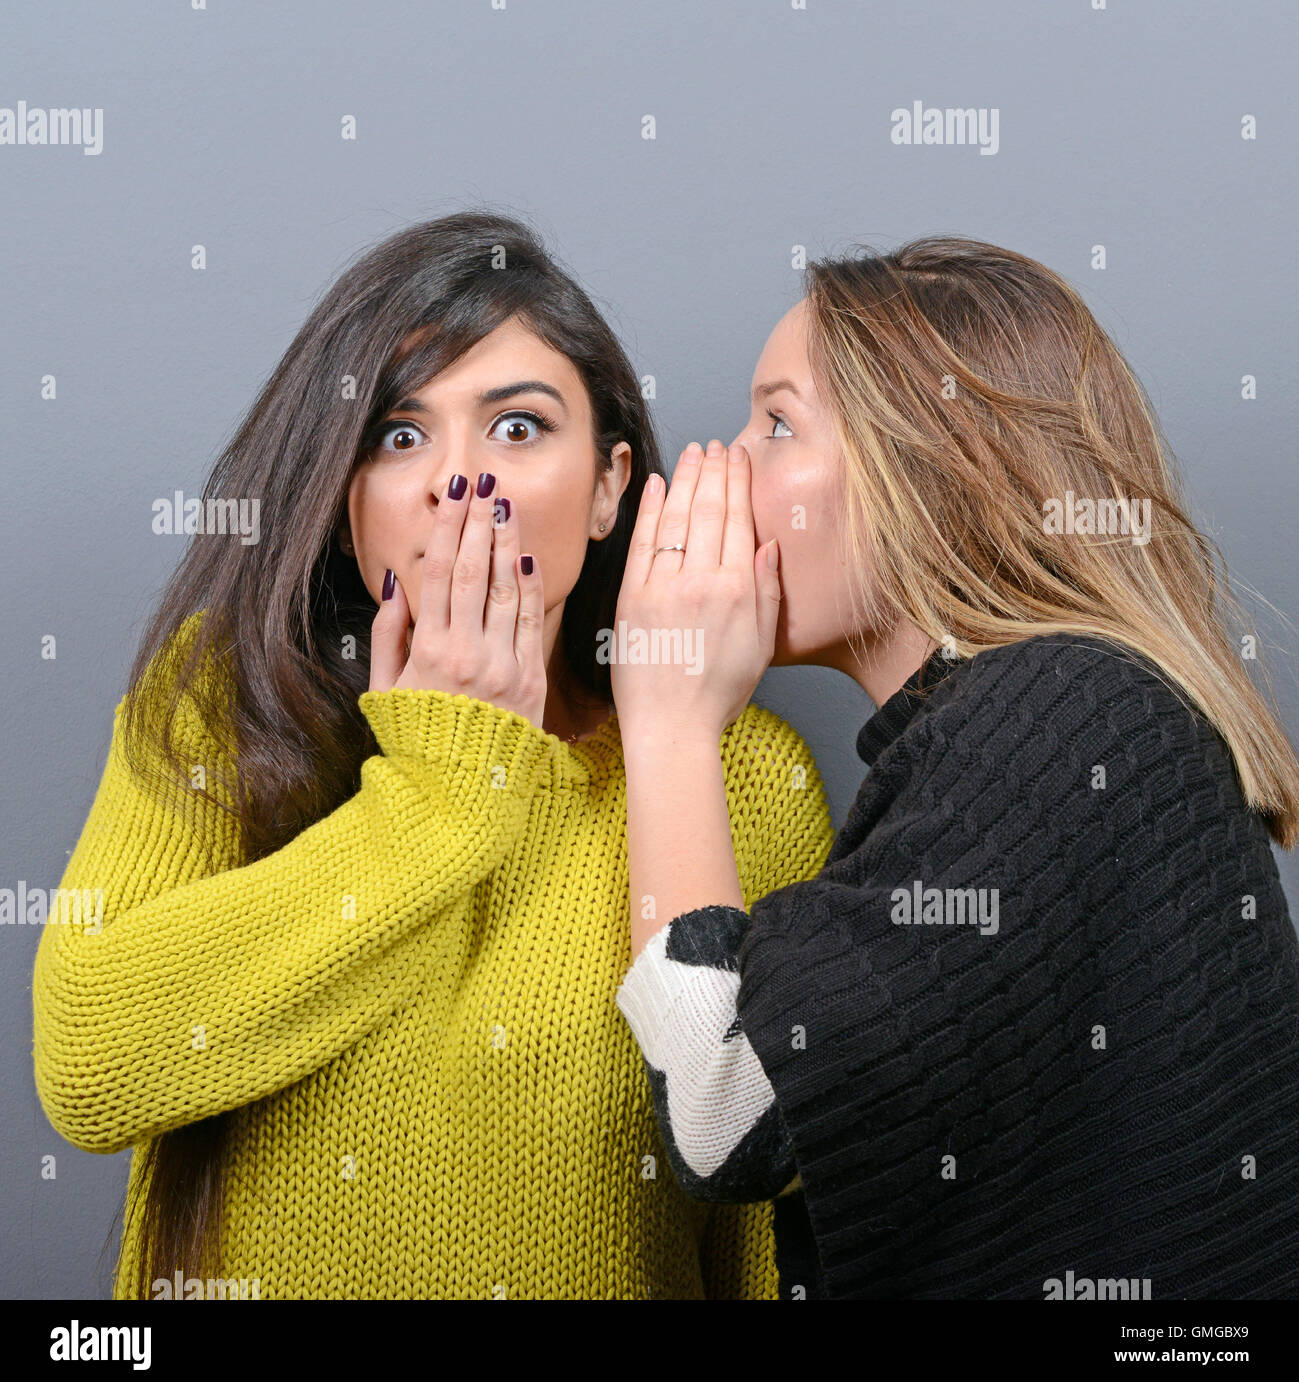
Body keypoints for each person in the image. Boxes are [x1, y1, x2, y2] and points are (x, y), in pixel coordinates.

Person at [31, 211, 834, 1299]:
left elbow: (759, 1215)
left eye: (516, 428)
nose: (462, 483)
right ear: (346, 499)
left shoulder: (742, 774)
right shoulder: (227, 700)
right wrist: (443, 782)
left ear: (608, 488)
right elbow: (89, 1065)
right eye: (401, 437)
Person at [613, 236, 1299, 1299]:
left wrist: (664, 722)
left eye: (779, 423)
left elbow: (723, 1112)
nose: (723, 465)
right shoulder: (1058, 721)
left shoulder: (1059, 726)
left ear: (928, 472)